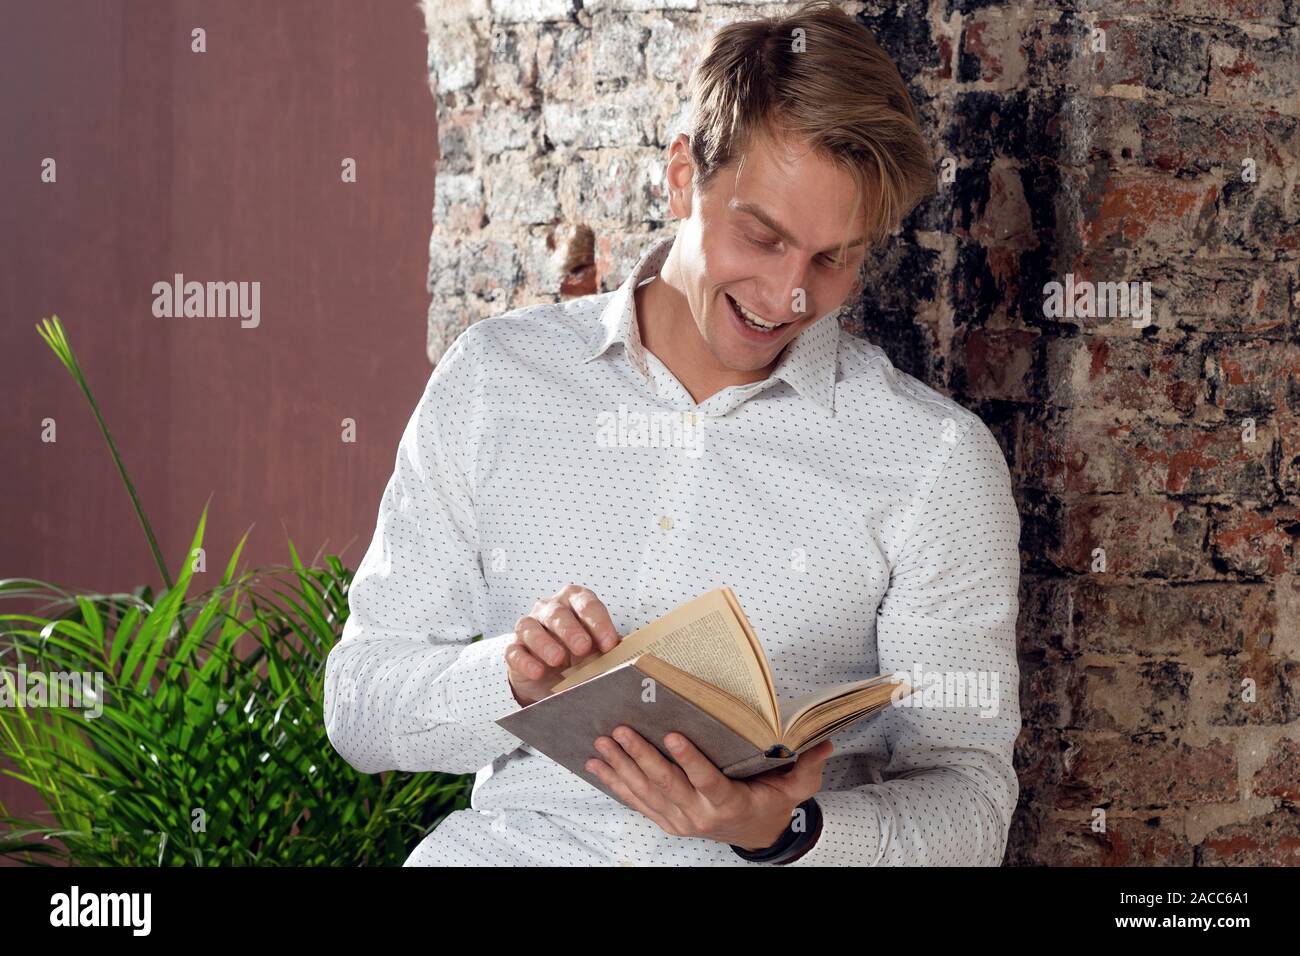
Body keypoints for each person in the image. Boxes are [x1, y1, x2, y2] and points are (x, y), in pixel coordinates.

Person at [323, 0, 1022, 866]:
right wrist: (511, 676)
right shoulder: (497, 379)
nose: (786, 296)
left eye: (833, 258)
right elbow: (356, 707)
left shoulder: (935, 464)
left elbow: (972, 805)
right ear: (683, 175)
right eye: (760, 236)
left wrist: (787, 832)